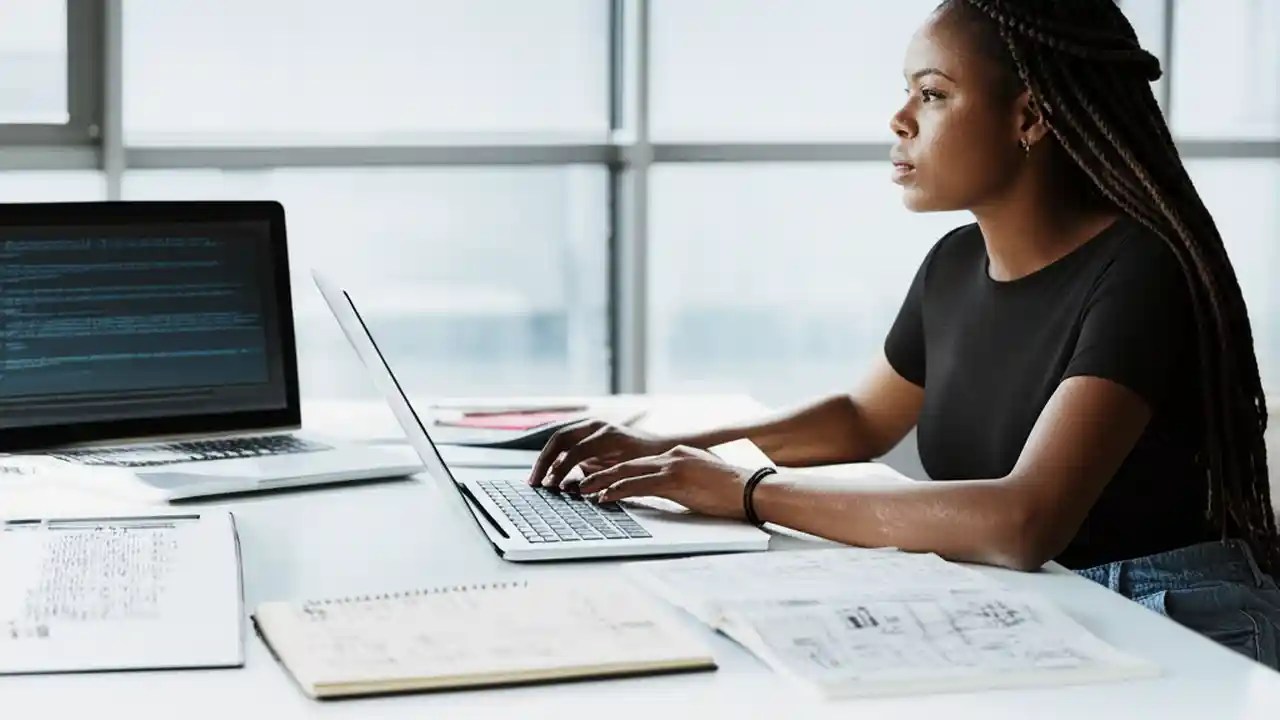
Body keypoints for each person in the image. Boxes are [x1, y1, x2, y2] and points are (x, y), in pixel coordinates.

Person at [528, 0, 1280, 665]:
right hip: (1048, 609)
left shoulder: (1141, 272)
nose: (899, 120)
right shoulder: (955, 264)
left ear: (1029, 116)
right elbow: (862, 418)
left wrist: (748, 490)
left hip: (1169, 623)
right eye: (907, 93)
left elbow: (1023, 522)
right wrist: (670, 456)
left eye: (933, 94)